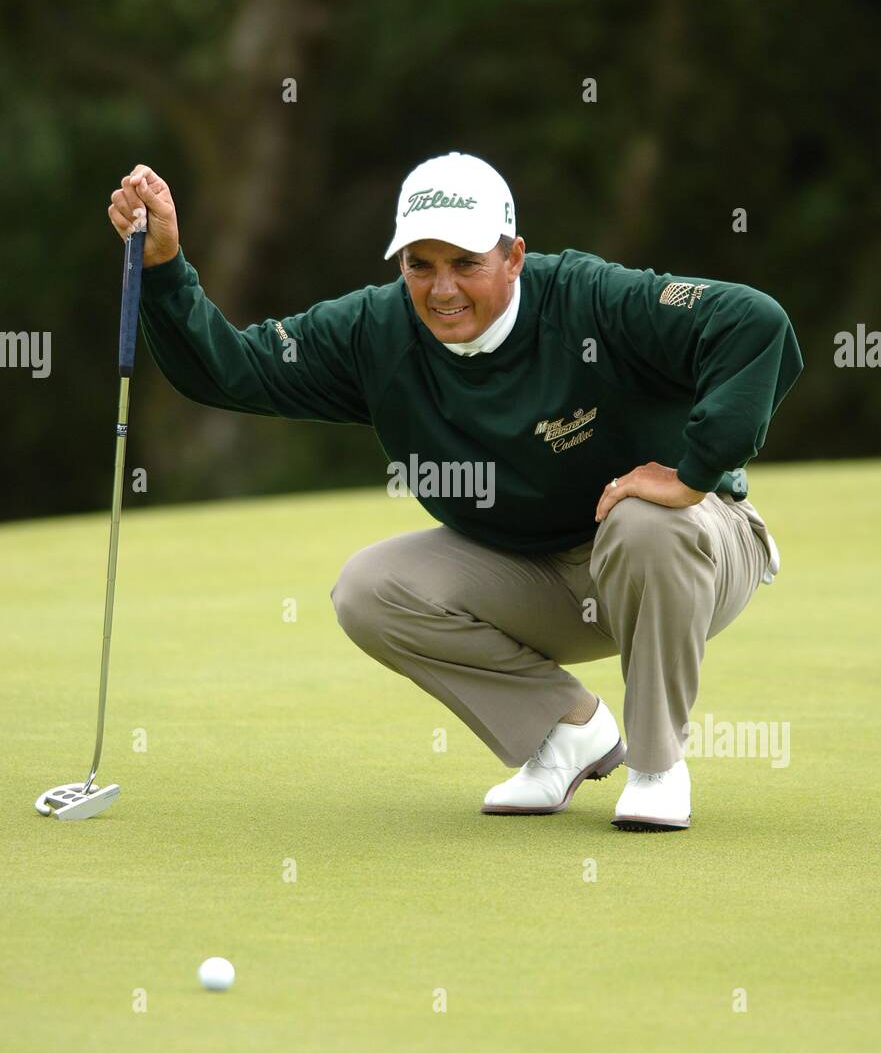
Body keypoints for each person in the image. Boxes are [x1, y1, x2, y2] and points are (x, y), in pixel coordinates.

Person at [107, 151, 803, 831]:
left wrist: (693, 472)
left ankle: (657, 771)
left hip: (691, 552)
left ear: (514, 257)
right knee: (368, 588)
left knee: (645, 524)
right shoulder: (374, 332)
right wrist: (165, 267)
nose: (441, 289)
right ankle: (566, 733)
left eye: (465, 264)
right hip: (536, 576)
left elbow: (753, 322)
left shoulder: (591, 300)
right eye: (420, 265)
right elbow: (229, 370)